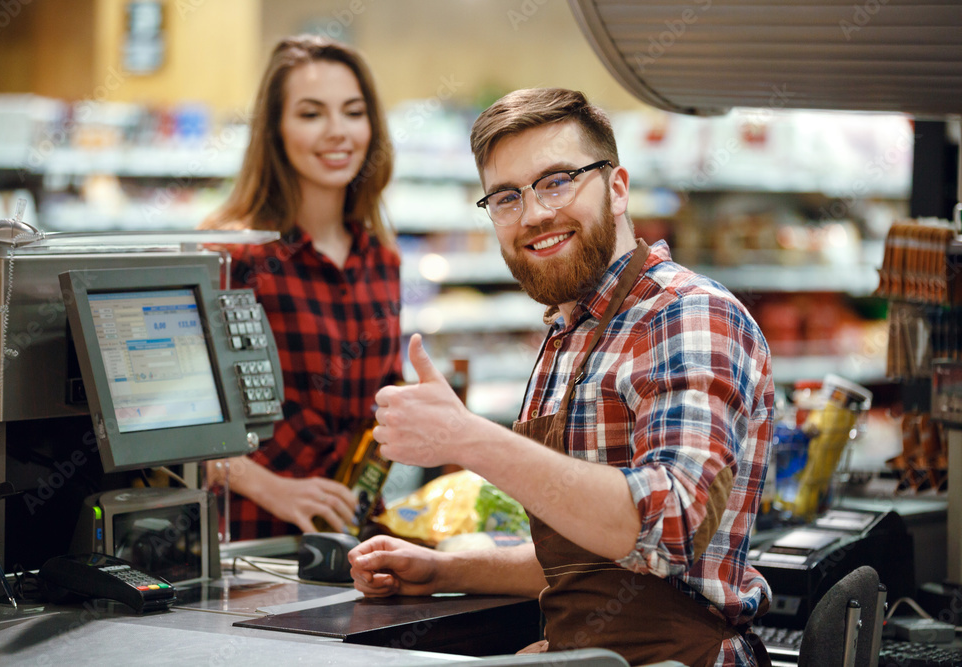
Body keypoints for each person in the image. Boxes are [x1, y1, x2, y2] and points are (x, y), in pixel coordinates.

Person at [349, 88, 774, 667]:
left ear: (617, 188)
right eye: (506, 197)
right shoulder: (567, 335)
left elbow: (670, 529)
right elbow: (593, 562)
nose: (535, 215)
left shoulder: (687, 314)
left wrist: (467, 437)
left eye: (557, 181)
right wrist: (442, 569)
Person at [200, 35, 401, 540]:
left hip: (351, 543)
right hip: (248, 548)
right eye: (311, 114)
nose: (338, 132)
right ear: (275, 131)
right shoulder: (232, 257)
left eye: (353, 112)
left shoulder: (381, 259)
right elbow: (178, 426)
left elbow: (381, 411)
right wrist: (270, 486)